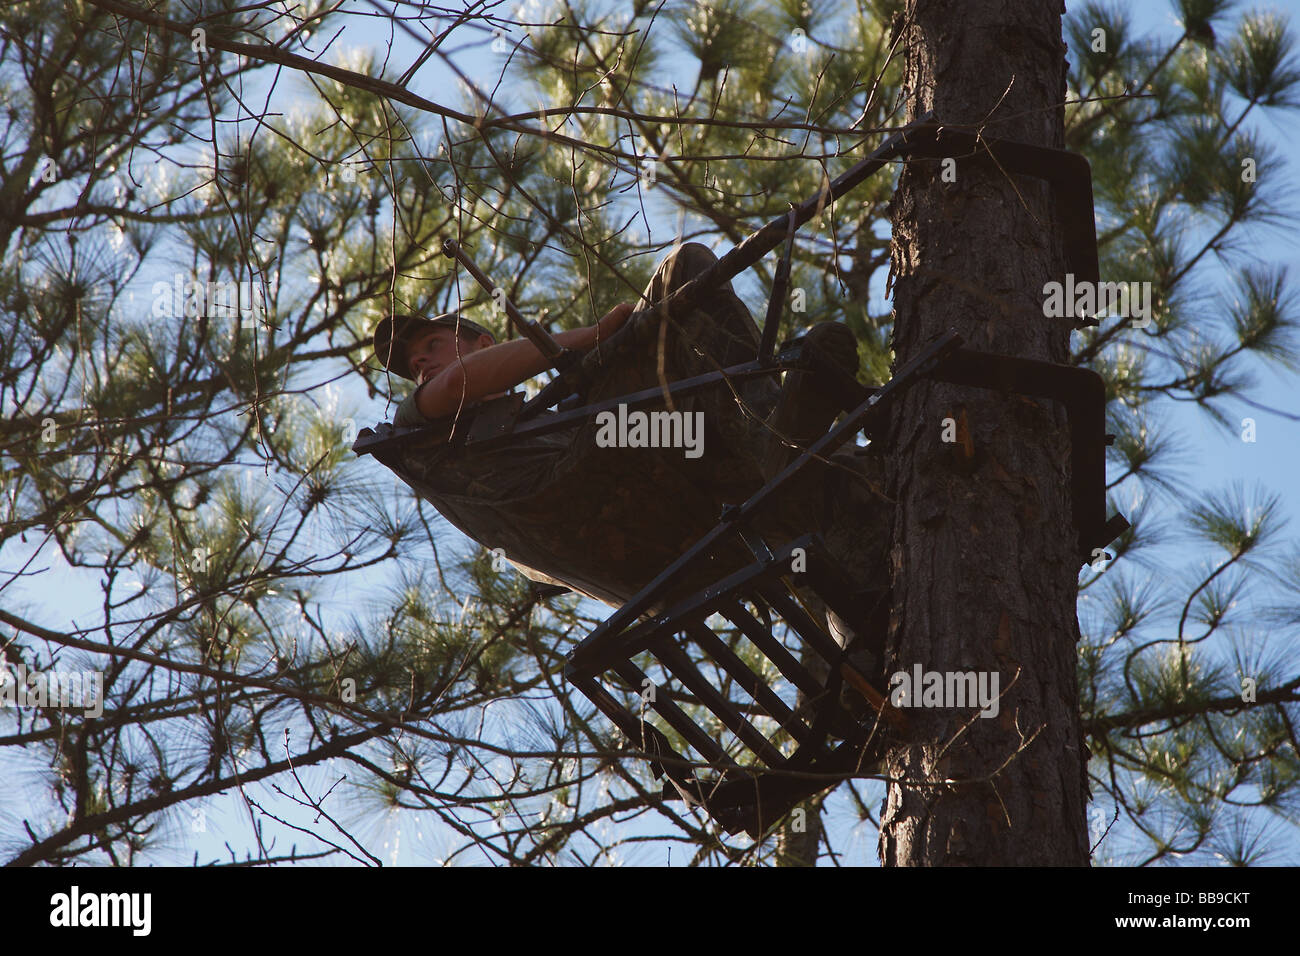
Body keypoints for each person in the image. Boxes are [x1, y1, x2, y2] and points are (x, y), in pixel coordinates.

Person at [370, 242, 890, 621]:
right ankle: (773, 439)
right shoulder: (414, 430)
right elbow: (460, 383)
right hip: (591, 490)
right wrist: (597, 337)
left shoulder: (553, 418)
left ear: (484, 343)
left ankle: (860, 615)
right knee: (683, 272)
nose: (421, 366)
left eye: (433, 346)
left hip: (679, 535)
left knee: (842, 485)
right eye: (413, 366)